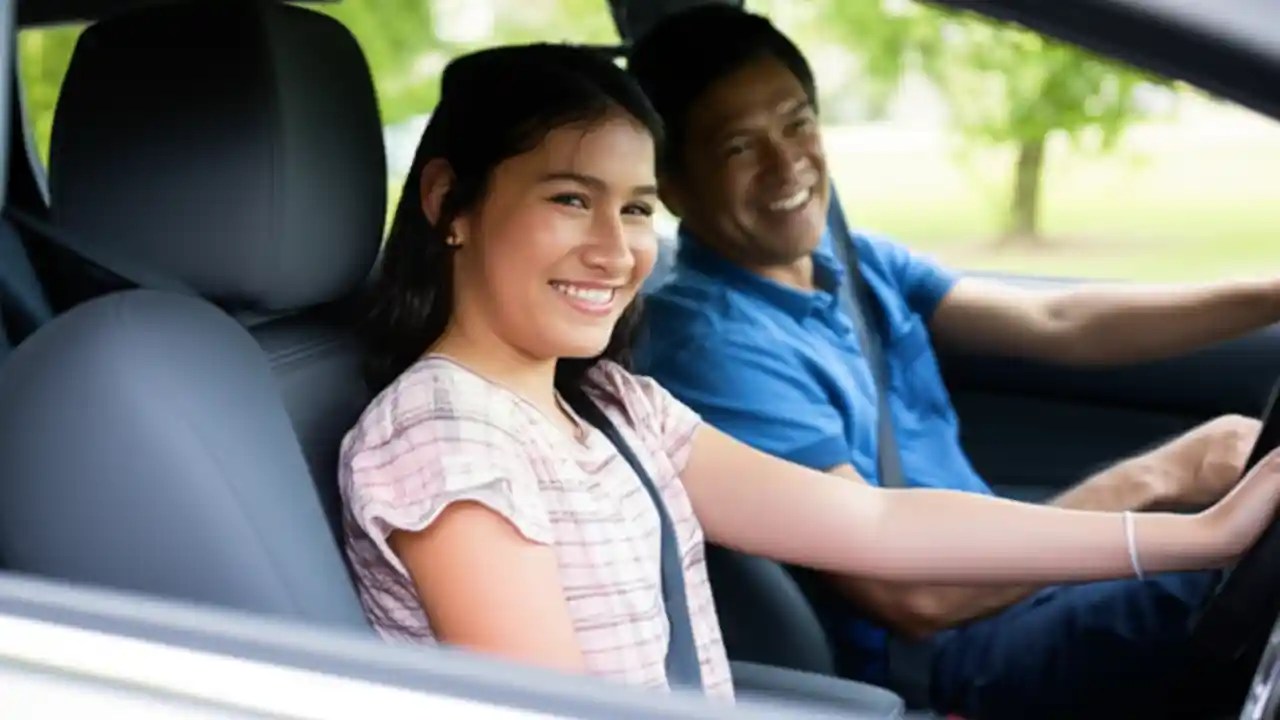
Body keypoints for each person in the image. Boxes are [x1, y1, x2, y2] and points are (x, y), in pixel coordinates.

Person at [338, 42, 1280, 709]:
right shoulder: (447, 439)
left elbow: (871, 522)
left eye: (635, 209)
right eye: (569, 199)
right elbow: (558, 712)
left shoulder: (611, 405)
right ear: (449, 203)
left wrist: (1203, 535)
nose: (616, 251)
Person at [625, 5, 1279, 718]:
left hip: (1011, 588)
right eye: (738, 148)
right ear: (672, 185)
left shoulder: (851, 261)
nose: (787, 164)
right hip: (950, 657)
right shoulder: (714, 348)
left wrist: (1272, 294)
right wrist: (1157, 477)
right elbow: (918, 597)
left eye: (797, 123)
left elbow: (1058, 322)